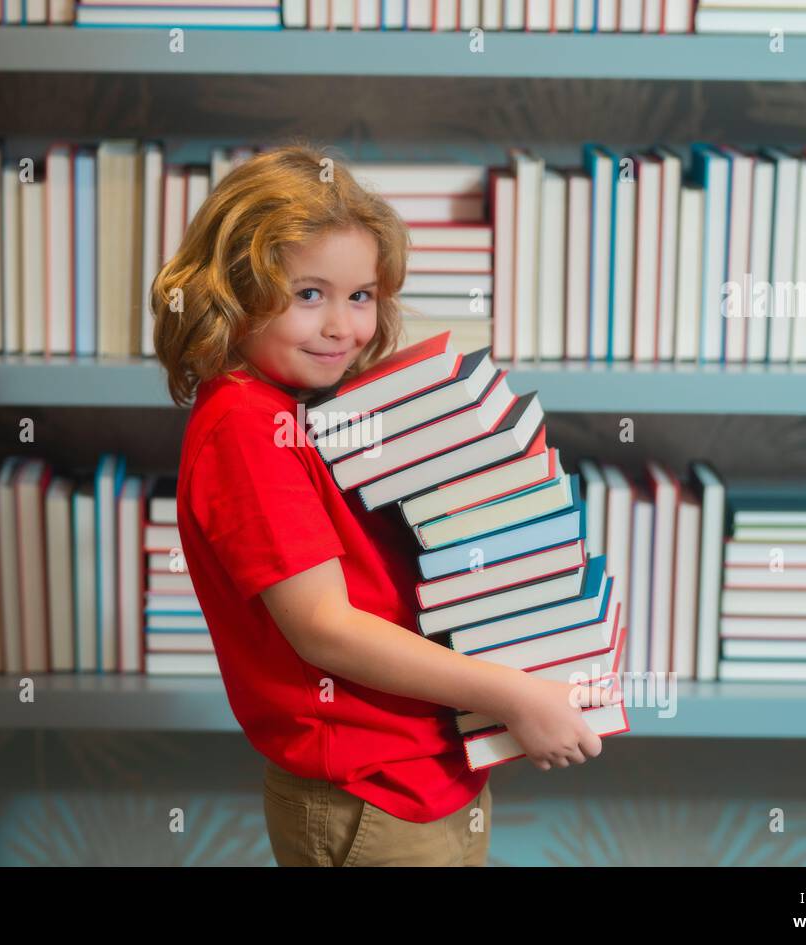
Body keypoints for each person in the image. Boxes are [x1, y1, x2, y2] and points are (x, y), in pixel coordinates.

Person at [153, 142, 611, 867]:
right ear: (231, 293)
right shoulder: (246, 426)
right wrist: (514, 696)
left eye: (360, 296)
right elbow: (325, 630)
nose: (343, 326)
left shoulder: (301, 406)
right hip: (367, 793)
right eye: (309, 295)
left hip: (421, 774)